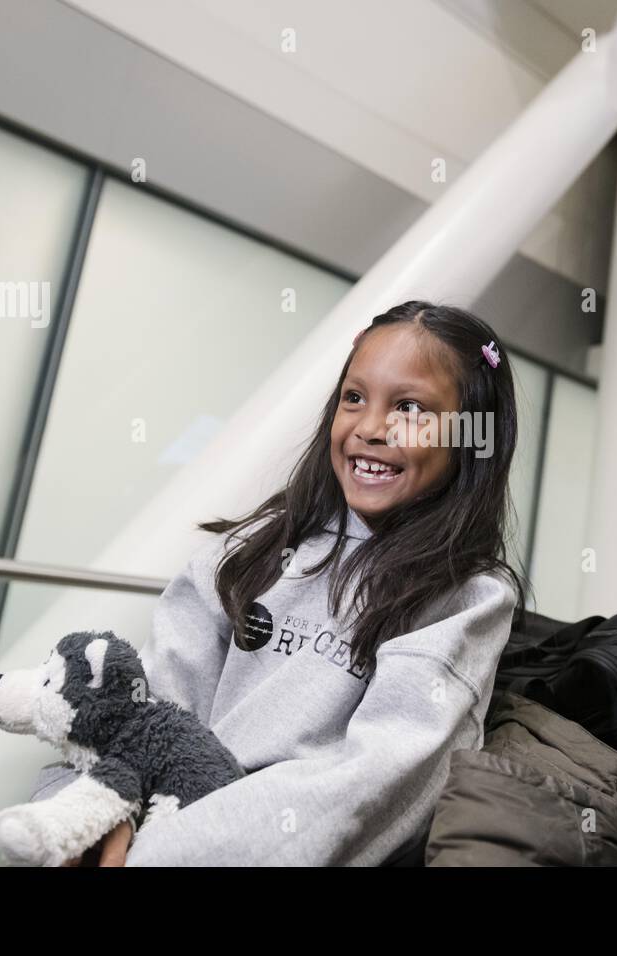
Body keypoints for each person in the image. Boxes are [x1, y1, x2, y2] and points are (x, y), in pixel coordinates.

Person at [34, 300, 523, 865]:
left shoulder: (466, 599)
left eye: (409, 407)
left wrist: (152, 855)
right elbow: (143, 714)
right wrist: (82, 816)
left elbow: (367, 790)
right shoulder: (255, 549)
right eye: (354, 397)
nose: (369, 428)